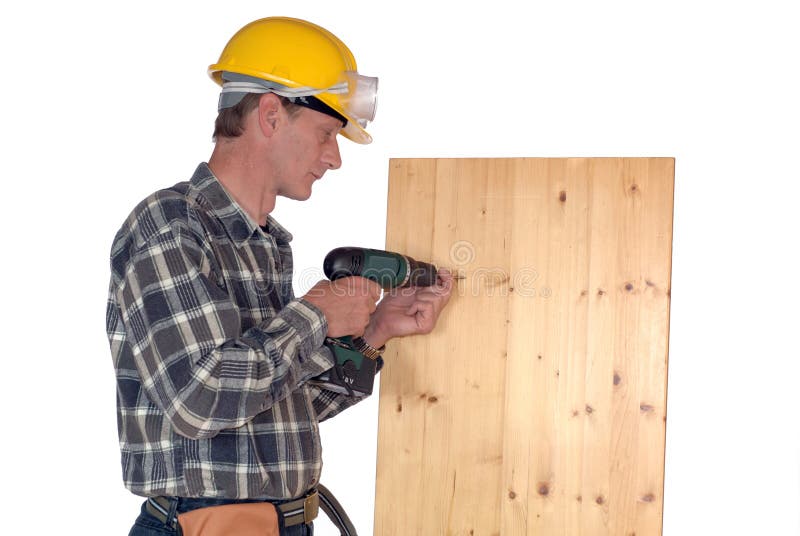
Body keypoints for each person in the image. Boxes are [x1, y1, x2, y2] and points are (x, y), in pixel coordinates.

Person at [105, 16, 453, 536]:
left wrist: (374, 332)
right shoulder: (171, 225)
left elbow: (274, 411)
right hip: (208, 526)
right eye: (326, 134)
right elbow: (198, 399)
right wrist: (317, 314)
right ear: (270, 114)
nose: (334, 158)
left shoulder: (265, 246)